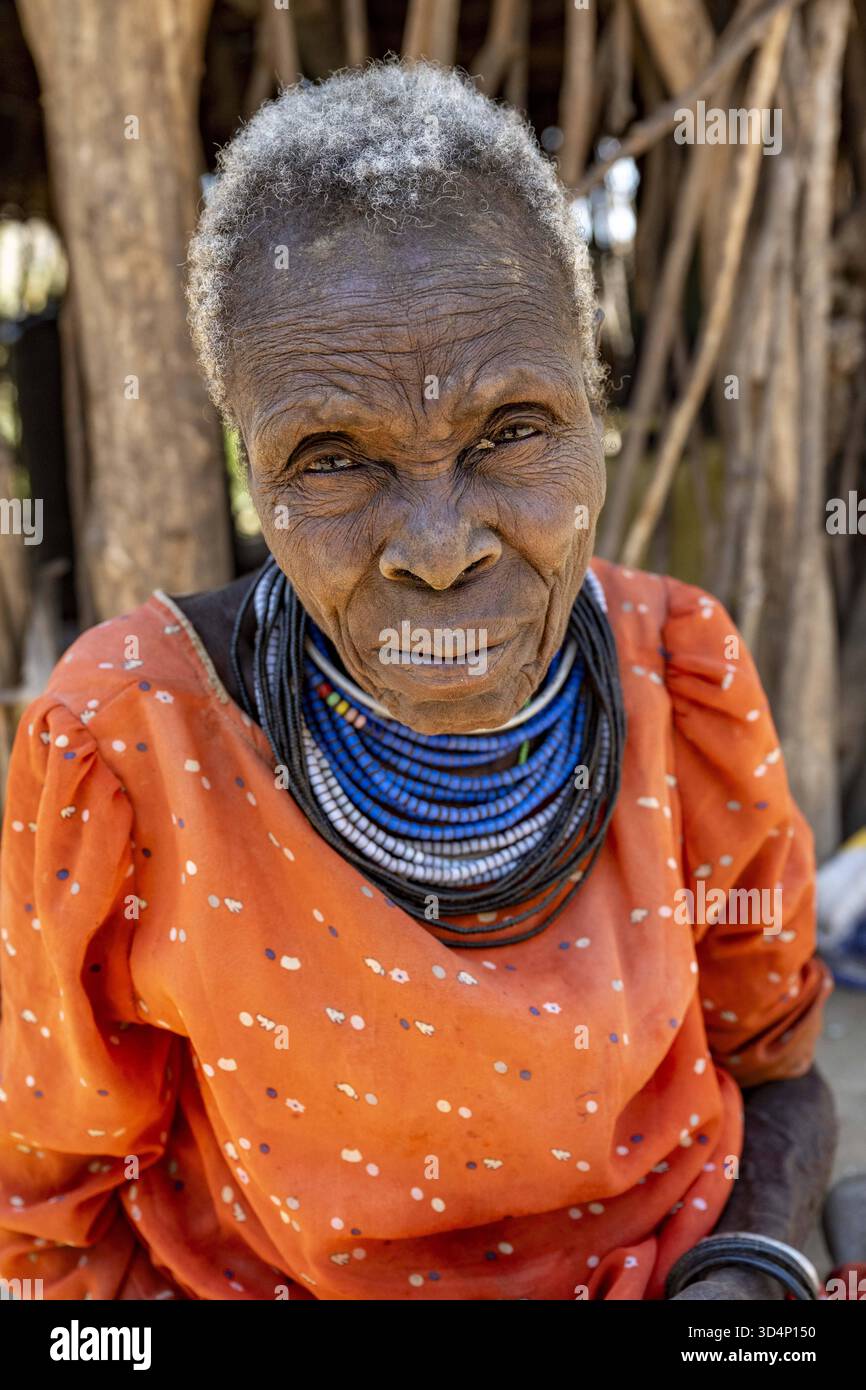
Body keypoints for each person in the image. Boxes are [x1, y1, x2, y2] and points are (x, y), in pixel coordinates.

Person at [0, 61, 843, 1300]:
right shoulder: (129, 744)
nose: (440, 550)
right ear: (249, 463)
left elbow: (775, 1073)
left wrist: (741, 1282)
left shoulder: (680, 676)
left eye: (511, 428)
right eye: (332, 457)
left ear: (592, 406)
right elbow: (48, 1214)